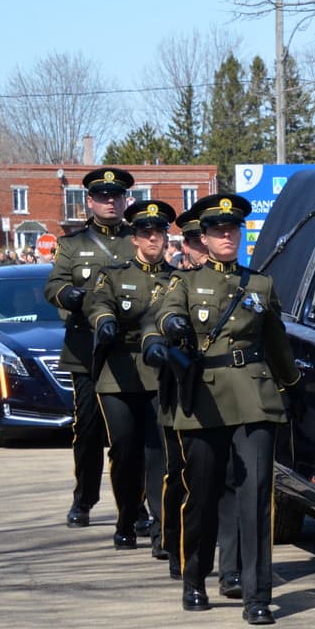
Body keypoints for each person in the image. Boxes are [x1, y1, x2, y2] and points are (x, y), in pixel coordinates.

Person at [155, 194, 302, 625]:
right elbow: (164, 316)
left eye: (233, 229)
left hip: (255, 397)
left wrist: (293, 388)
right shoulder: (185, 283)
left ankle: (257, 596)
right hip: (206, 399)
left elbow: (277, 344)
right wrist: (174, 325)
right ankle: (195, 578)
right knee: (203, 494)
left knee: (256, 497)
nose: (227, 236)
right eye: (219, 230)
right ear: (204, 237)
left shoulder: (259, 285)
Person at [44, 167, 138, 529]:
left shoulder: (137, 240)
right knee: (87, 429)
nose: (110, 202)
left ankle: (135, 506)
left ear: (126, 200)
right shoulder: (73, 244)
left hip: (129, 350)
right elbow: (54, 286)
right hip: (86, 350)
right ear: (90, 201)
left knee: (130, 435)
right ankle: (83, 499)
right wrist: (68, 295)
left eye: (116, 196)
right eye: (103, 197)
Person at [85, 200, 177, 551]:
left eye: (159, 233)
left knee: (159, 452)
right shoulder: (114, 275)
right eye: (145, 233)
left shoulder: (177, 280)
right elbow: (98, 303)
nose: (153, 239)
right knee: (125, 449)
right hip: (119, 373)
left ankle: (161, 529)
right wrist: (105, 322)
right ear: (134, 238)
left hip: (160, 373)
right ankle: (127, 517)